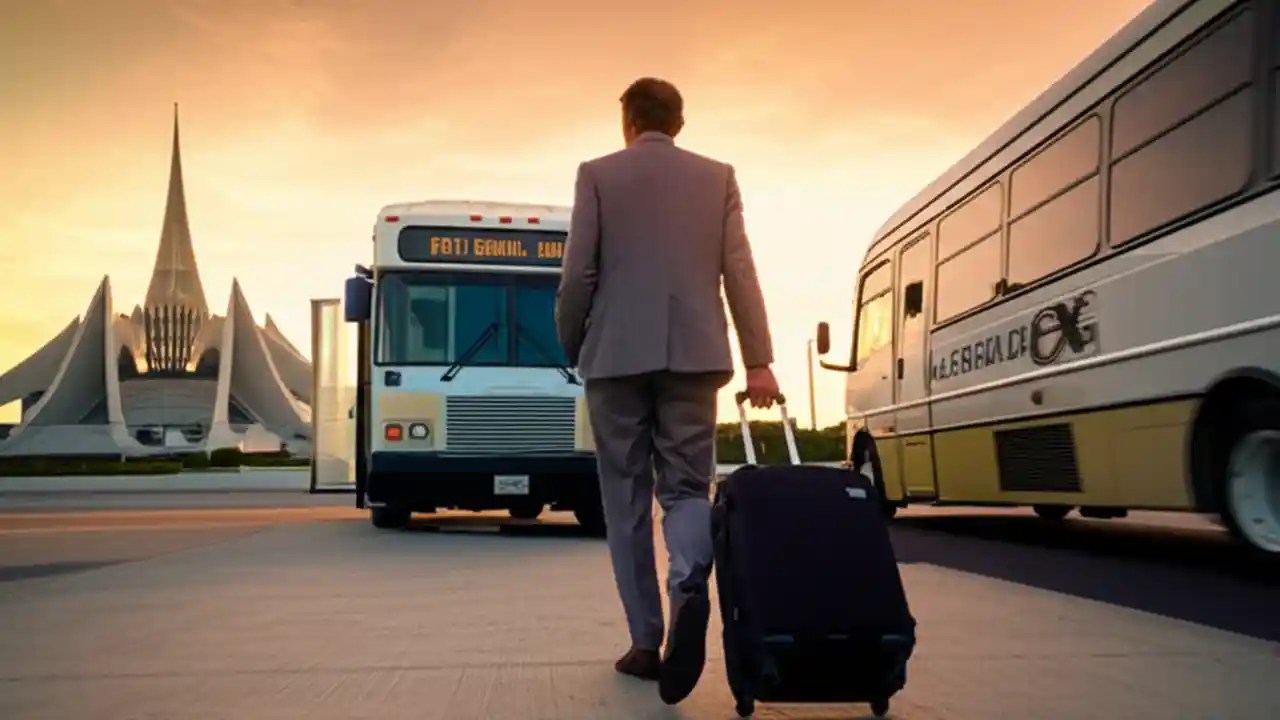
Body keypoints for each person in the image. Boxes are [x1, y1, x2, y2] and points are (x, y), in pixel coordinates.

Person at [555, 76, 780, 705]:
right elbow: (740, 268)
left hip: (615, 358)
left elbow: (578, 273)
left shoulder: (597, 174)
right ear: (679, 122)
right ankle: (689, 588)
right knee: (685, 488)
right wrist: (759, 359)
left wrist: (576, 344)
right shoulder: (718, 178)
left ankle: (646, 642)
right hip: (693, 355)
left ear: (628, 121)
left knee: (624, 499)